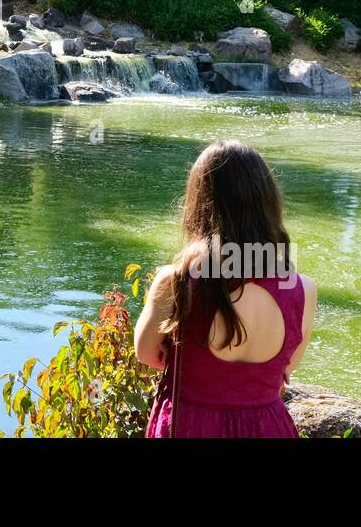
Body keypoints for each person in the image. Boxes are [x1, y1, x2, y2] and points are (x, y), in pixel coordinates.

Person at [134, 140, 317, 437]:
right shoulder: (303, 290)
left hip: (190, 426)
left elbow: (146, 353)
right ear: (268, 205)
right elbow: (286, 368)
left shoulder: (176, 281)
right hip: (267, 428)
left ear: (198, 205)